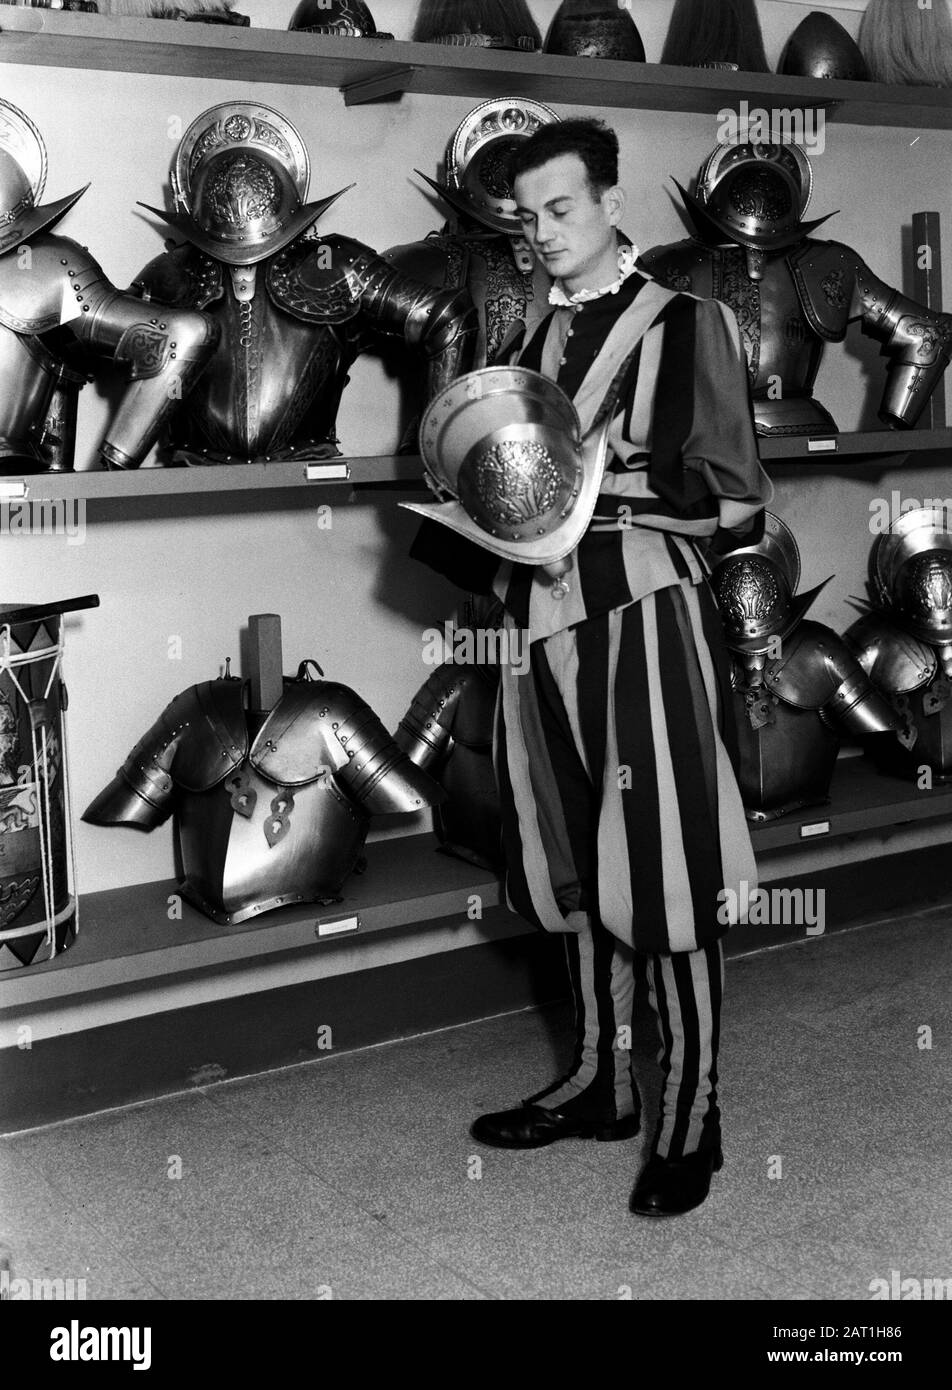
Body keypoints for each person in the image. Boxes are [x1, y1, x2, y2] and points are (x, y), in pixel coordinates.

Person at [412, 117, 773, 1217]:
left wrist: (597, 486)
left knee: (661, 866)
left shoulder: (686, 322)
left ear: (612, 201)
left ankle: (692, 1113)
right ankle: (600, 1084)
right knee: (566, 859)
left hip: (640, 618)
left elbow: (734, 499)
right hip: (536, 627)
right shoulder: (524, 345)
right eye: (527, 217)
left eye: (561, 208)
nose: (545, 233)